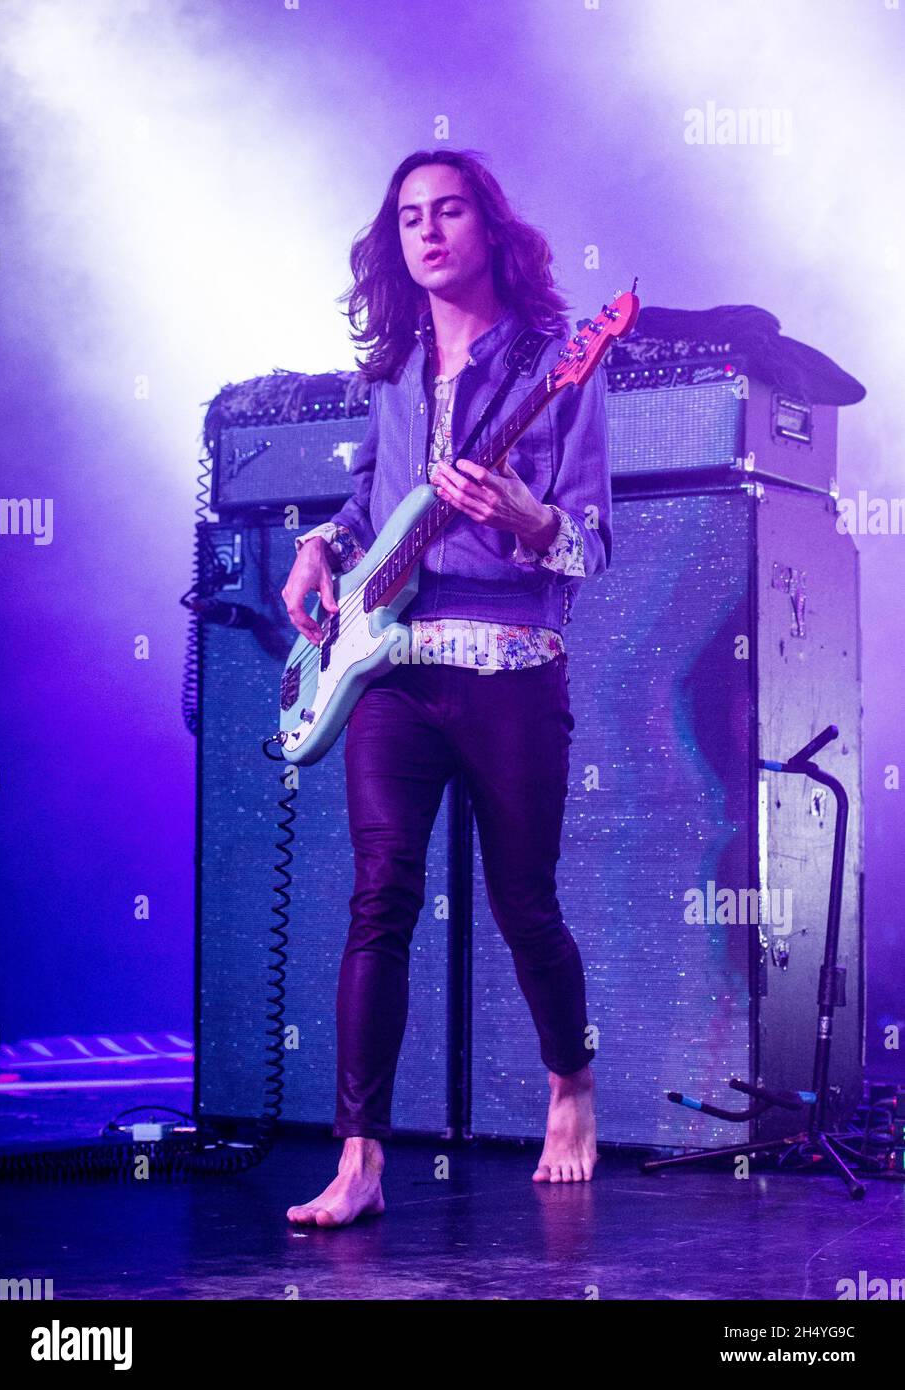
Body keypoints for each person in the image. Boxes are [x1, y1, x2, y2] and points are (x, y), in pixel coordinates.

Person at [282, 148, 612, 1227]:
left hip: (511, 669)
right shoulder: (390, 374)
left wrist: (525, 517)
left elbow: (594, 541)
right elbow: (370, 501)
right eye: (410, 216)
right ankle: (362, 1157)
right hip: (390, 671)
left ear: (490, 226)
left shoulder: (561, 361)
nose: (427, 231)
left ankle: (571, 1081)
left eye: (450, 209)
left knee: (526, 904)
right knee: (380, 900)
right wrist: (323, 547)